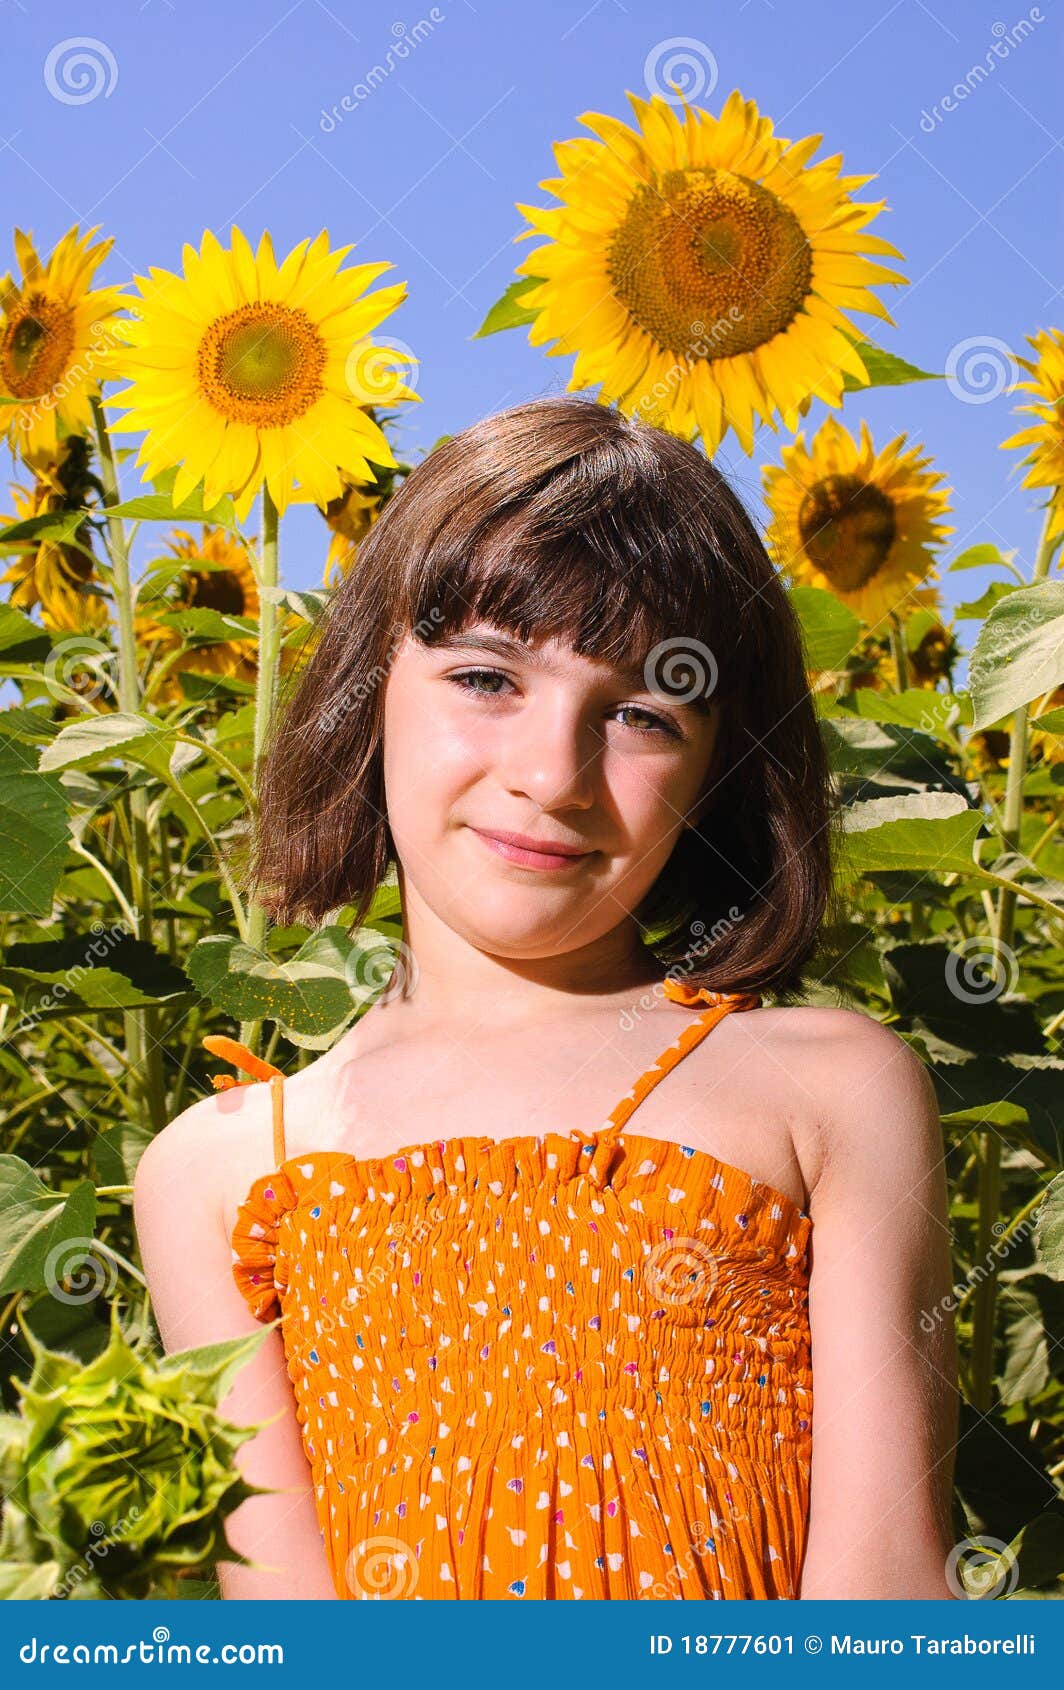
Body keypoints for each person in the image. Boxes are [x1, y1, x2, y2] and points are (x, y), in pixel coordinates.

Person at [134, 394, 958, 1601]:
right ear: (366, 690)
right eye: (485, 677)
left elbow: (882, 1603)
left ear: (721, 769)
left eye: (638, 714)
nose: (549, 774)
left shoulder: (825, 1085)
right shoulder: (216, 1170)